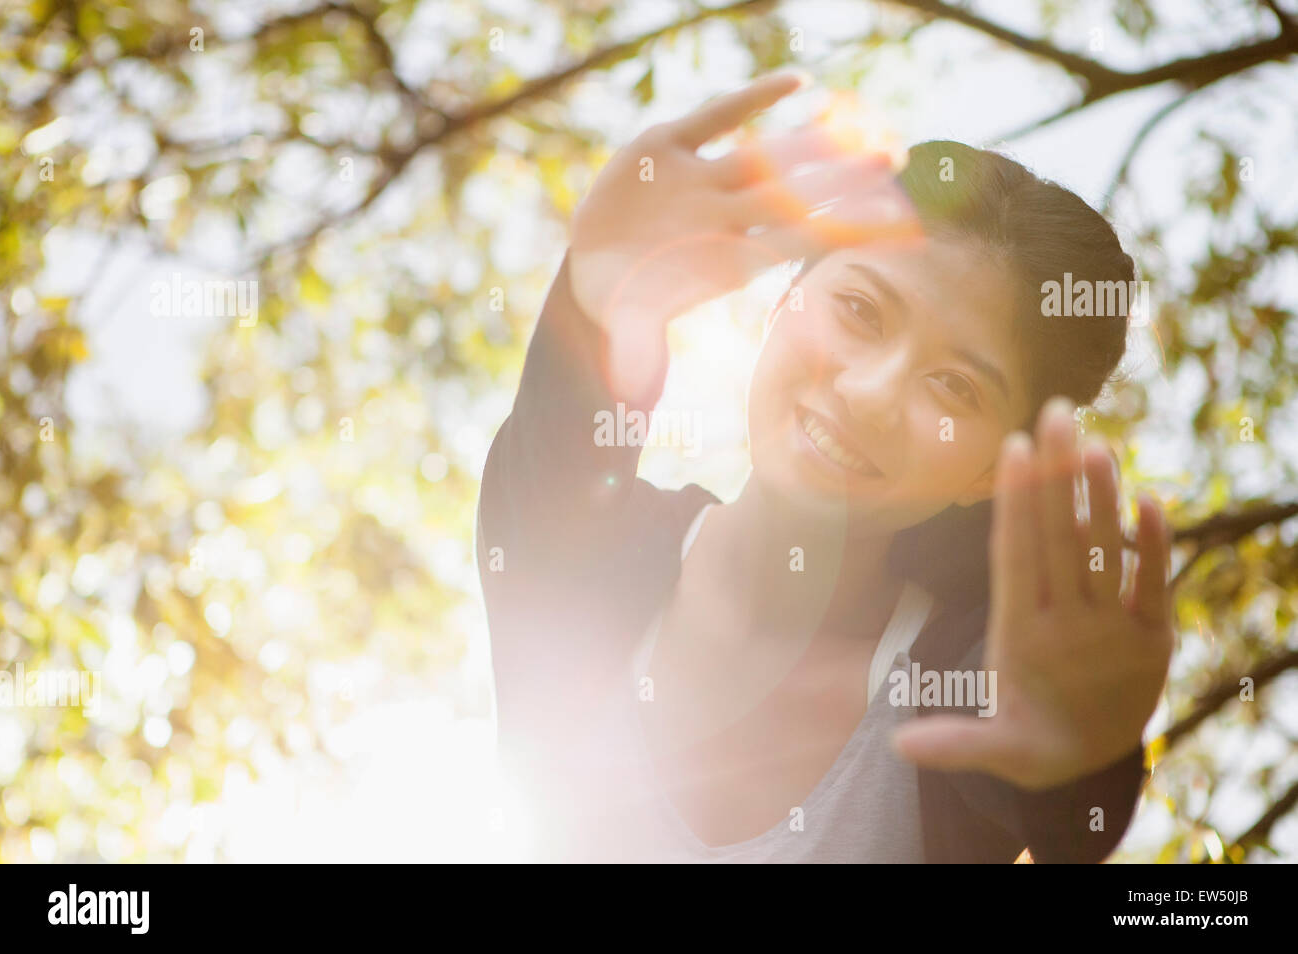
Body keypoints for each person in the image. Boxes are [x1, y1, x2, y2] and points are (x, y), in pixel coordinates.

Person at [475, 72, 1174, 862]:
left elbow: (1053, 787)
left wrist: (1085, 766)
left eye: (955, 386)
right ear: (786, 300)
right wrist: (593, 303)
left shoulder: (956, 677)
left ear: (991, 472)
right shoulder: (589, 560)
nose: (869, 393)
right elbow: (555, 462)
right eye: (861, 311)